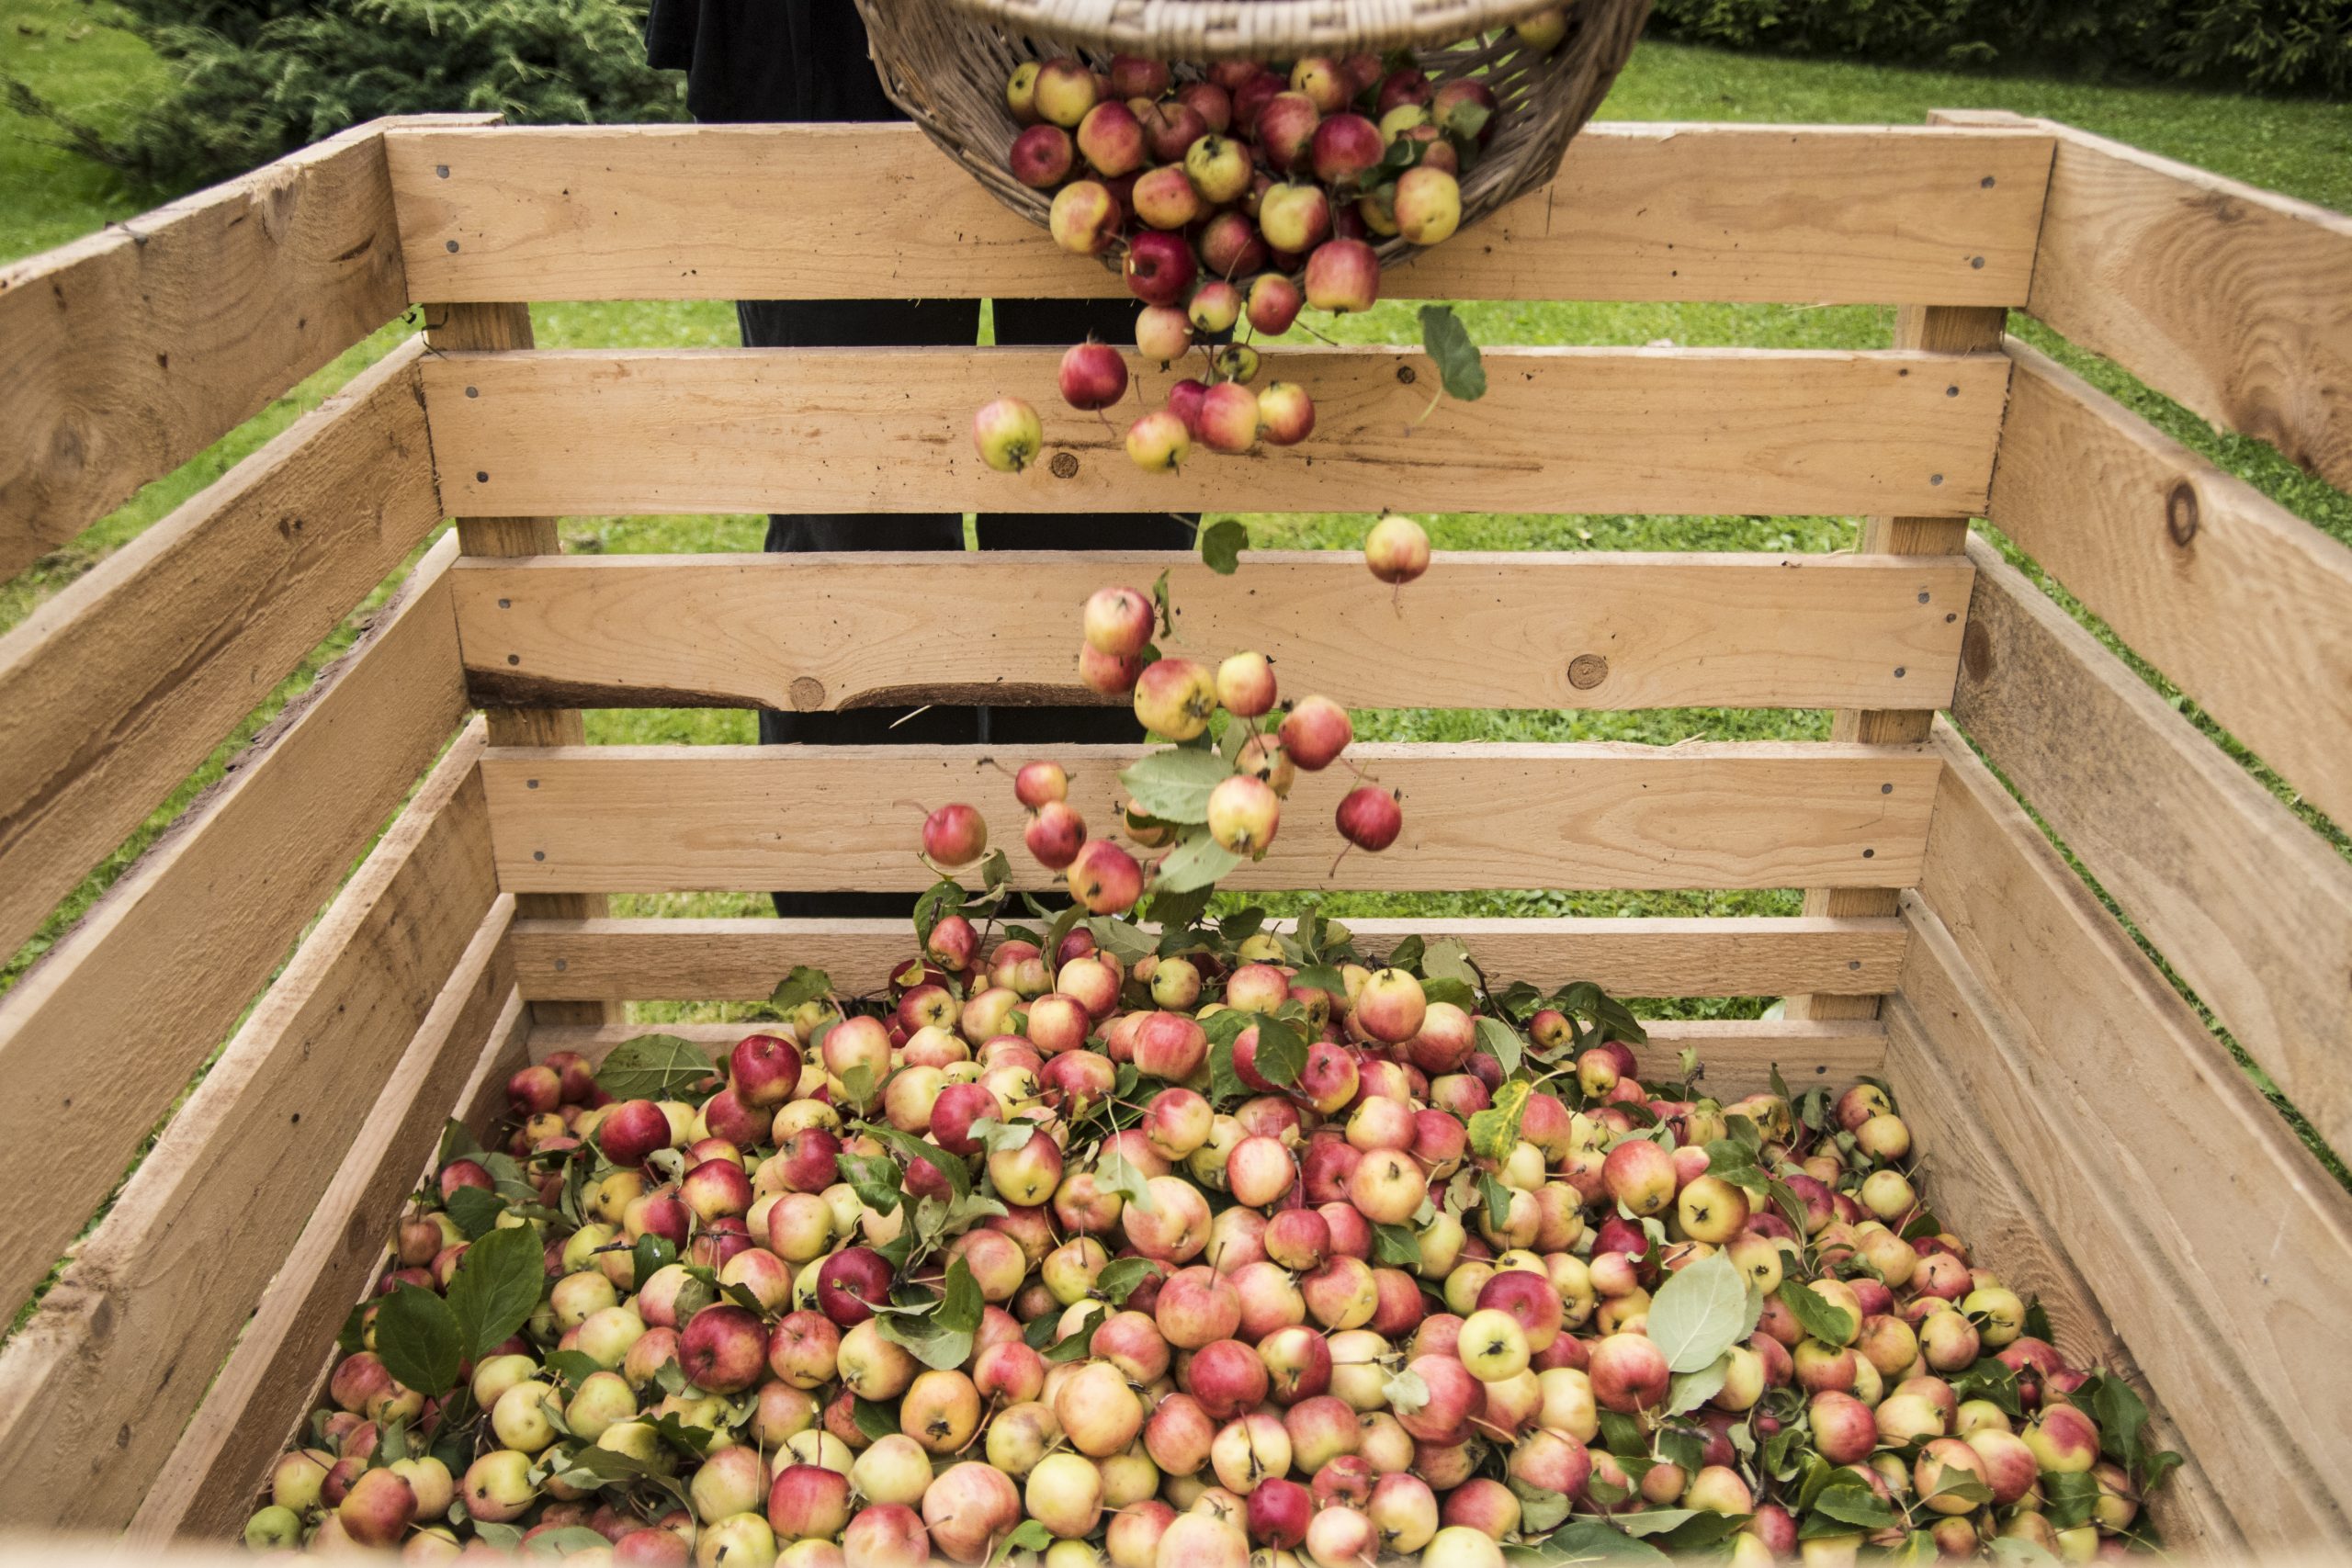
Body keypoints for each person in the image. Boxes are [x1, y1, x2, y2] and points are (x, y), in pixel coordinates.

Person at [643, 1, 1192, 916]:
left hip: (1121, 41)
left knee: (1109, 511)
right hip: (818, 41)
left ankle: (1091, 935)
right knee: (850, 506)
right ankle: (869, 963)